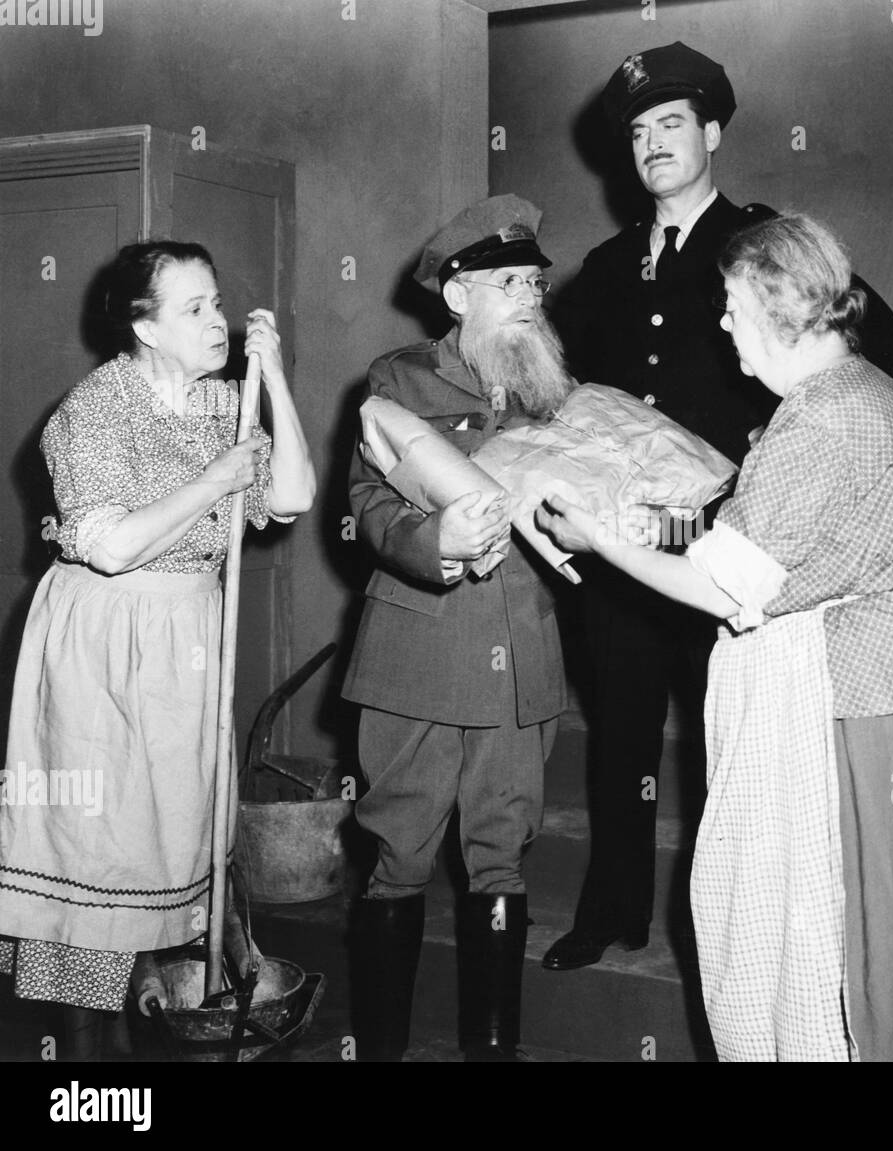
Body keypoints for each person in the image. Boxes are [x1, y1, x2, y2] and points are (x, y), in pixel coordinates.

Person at [538, 213, 893, 1061]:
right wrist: (654, 523)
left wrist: (600, 540)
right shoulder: (867, 393)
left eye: (732, 306)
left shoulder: (817, 421)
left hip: (851, 714)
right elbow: (785, 538)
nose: (722, 323)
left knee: (825, 937)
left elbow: (720, 583)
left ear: (782, 310)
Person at [543, 40, 893, 973]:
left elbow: (869, 340)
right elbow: (561, 391)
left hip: (739, 535)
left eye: (672, 123)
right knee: (619, 728)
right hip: (626, 542)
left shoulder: (762, 244)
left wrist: (771, 450)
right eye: (637, 131)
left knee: (731, 737)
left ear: (711, 132)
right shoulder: (609, 263)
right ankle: (614, 907)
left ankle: (729, 928)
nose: (653, 143)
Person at [0, 240, 315, 1060]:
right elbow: (109, 546)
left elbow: (293, 494)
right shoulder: (93, 411)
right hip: (105, 647)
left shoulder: (219, 402)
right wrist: (215, 482)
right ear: (143, 326)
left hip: (185, 650)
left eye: (217, 301)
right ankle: (87, 1080)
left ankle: (157, 1038)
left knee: (175, 860)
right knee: (98, 866)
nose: (219, 320)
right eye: (196, 309)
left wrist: (271, 377)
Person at [341, 194, 572, 1062]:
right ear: (456, 294)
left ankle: (493, 1050)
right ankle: (383, 1048)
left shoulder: (558, 388)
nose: (527, 295)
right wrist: (434, 538)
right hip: (419, 650)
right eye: (506, 280)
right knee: (399, 852)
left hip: (523, 657)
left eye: (535, 281)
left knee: (502, 855)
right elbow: (365, 508)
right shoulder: (396, 380)